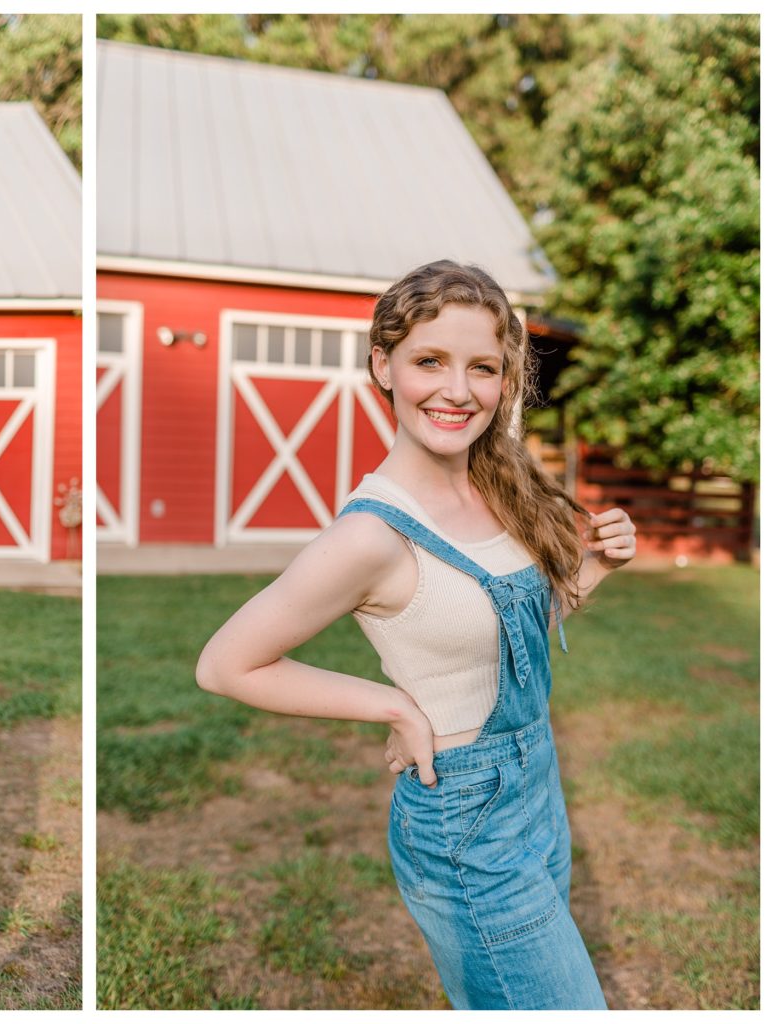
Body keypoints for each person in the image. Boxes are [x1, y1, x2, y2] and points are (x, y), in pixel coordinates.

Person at [196, 260, 636, 1010]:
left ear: (505, 380)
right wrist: (395, 707)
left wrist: (591, 568)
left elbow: (509, 637)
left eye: (482, 368)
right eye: (430, 361)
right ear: (383, 366)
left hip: (537, 786)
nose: (457, 390)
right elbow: (226, 664)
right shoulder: (371, 536)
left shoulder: (498, 490)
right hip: (465, 821)